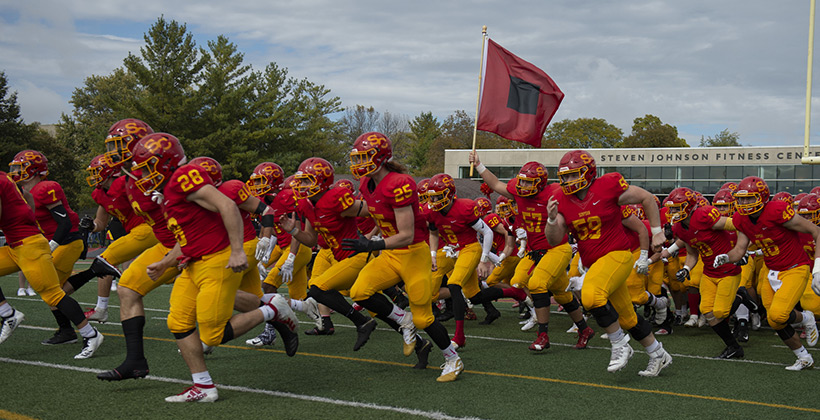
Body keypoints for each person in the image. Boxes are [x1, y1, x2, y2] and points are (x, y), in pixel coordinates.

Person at [128, 133, 299, 402]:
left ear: (167, 163)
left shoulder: (184, 177)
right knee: (178, 322)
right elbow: (187, 238)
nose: (143, 176)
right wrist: (164, 263)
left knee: (213, 334)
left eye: (147, 167)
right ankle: (204, 386)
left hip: (216, 260)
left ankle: (273, 309)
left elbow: (227, 205)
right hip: (194, 262)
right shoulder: (170, 194)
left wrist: (238, 249)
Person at [344, 132, 463, 382]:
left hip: (413, 253)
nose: (359, 163)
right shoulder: (367, 184)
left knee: (424, 318)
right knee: (360, 291)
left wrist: (371, 243)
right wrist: (344, 211)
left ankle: (452, 358)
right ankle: (402, 318)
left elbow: (407, 235)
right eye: (358, 158)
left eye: (365, 157)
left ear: (381, 157)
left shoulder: (399, 182)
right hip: (392, 252)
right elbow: (376, 209)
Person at [545, 149, 672, 376]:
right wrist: (552, 219)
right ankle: (658, 354)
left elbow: (645, 197)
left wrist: (657, 231)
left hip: (619, 254)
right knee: (627, 317)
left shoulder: (607, 186)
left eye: (574, 175)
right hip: (596, 263)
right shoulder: (562, 200)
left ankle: (619, 344)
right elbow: (554, 240)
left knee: (591, 296)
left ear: (588, 172)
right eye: (565, 176)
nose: (568, 181)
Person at [469, 153, 594, 351]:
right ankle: (584, 329)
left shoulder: (555, 192)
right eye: (522, 182)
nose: (523, 186)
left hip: (557, 248)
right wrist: (479, 165)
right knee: (560, 293)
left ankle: (543, 335)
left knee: (537, 284)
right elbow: (496, 185)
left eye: (529, 183)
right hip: (535, 251)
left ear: (540, 183)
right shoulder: (518, 192)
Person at [9, 150, 116, 348]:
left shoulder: (45, 188)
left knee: (51, 290)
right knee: (57, 290)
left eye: (20, 167)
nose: (16, 171)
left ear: (34, 170)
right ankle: (93, 273)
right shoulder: (24, 192)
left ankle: (69, 331)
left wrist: (51, 246)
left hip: (67, 241)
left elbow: (65, 223)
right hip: (59, 241)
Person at [715, 176, 820, 371]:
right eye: (741, 199)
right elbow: (739, 250)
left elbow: (816, 231)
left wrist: (818, 268)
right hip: (771, 270)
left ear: (762, 197)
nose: (744, 203)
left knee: (779, 315)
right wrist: (726, 257)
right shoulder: (741, 219)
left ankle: (807, 318)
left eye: (749, 198)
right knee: (774, 320)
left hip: (795, 267)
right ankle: (803, 357)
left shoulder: (778, 210)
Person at [0, 170, 103, 359]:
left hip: (30, 246)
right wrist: (26, 220)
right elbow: (27, 197)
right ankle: (8, 314)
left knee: (53, 295)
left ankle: (91, 334)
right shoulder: (5, 177)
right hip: (17, 245)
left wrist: (23, 225)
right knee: (54, 293)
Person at [664, 187, 758, 359]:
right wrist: (686, 269)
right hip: (709, 272)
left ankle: (740, 296)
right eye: (672, 209)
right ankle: (733, 347)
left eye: (677, 208)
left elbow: (737, 224)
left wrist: (740, 250)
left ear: (689, 206)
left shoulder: (703, 215)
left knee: (721, 313)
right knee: (707, 311)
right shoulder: (679, 227)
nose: (673, 212)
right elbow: (692, 253)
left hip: (728, 270)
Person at [65, 153, 159, 323]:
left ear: (110, 171)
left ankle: (101, 308)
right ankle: (101, 308)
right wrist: (91, 226)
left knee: (105, 261)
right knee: (108, 265)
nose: (93, 175)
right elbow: (101, 221)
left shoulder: (124, 183)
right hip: (134, 232)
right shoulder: (100, 193)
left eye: (97, 171)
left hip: (148, 228)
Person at [424, 173, 495, 348]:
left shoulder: (464, 208)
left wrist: (484, 259)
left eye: (437, 197)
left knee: (454, 284)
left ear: (449, 194)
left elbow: (487, 232)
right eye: (431, 197)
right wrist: (433, 255)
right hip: (451, 250)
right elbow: (433, 233)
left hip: (469, 248)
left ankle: (459, 336)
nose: (433, 201)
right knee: (474, 295)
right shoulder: (431, 211)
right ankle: (516, 294)